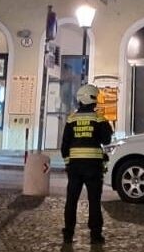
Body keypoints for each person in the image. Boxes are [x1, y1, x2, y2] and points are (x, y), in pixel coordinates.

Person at [59, 83, 113, 244]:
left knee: (71, 200)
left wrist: (68, 163)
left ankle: (68, 233)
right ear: (92, 99)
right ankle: (95, 235)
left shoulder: (72, 119)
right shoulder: (98, 118)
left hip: (75, 167)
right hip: (93, 167)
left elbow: (64, 146)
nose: (97, 101)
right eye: (96, 98)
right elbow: (106, 140)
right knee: (94, 201)